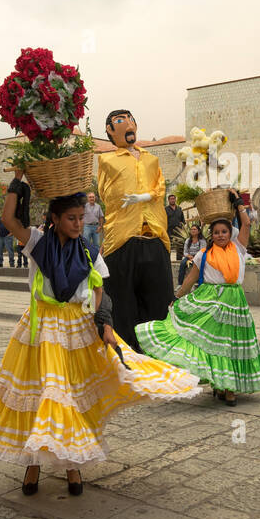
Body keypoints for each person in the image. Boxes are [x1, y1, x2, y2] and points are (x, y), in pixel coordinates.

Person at [0, 191, 202, 496]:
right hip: (41, 329)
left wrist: (107, 325)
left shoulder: (89, 251)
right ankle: (32, 463)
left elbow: (100, 293)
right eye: (70, 218)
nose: (77, 223)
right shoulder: (37, 242)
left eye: (80, 218)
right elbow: (7, 219)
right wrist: (16, 182)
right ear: (55, 219)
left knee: (71, 395)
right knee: (41, 394)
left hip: (77, 329)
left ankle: (73, 466)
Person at [137, 192, 260, 406]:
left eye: (224, 231)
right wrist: (176, 296)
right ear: (211, 235)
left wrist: (238, 204)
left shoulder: (238, 248)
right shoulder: (203, 254)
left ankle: (228, 387)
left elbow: (246, 225)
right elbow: (190, 279)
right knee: (216, 347)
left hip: (235, 303)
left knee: (232, 345)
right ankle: (223, 386)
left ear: (230, 233)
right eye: (216, 232)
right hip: (211, 303)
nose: (220, 235)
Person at [97, 109, 174, 353]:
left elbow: (160, 187)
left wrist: (145, 196)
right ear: (110, 130)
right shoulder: (106, 160)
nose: (127, 124)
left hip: (154, 236)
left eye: (130, 119)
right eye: (120, 121)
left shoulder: (152, 159)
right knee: (122, 304)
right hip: (122, 241)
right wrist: (125, 197)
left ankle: (159, 356)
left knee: (159, 302)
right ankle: (126, 356)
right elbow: (105, 193)